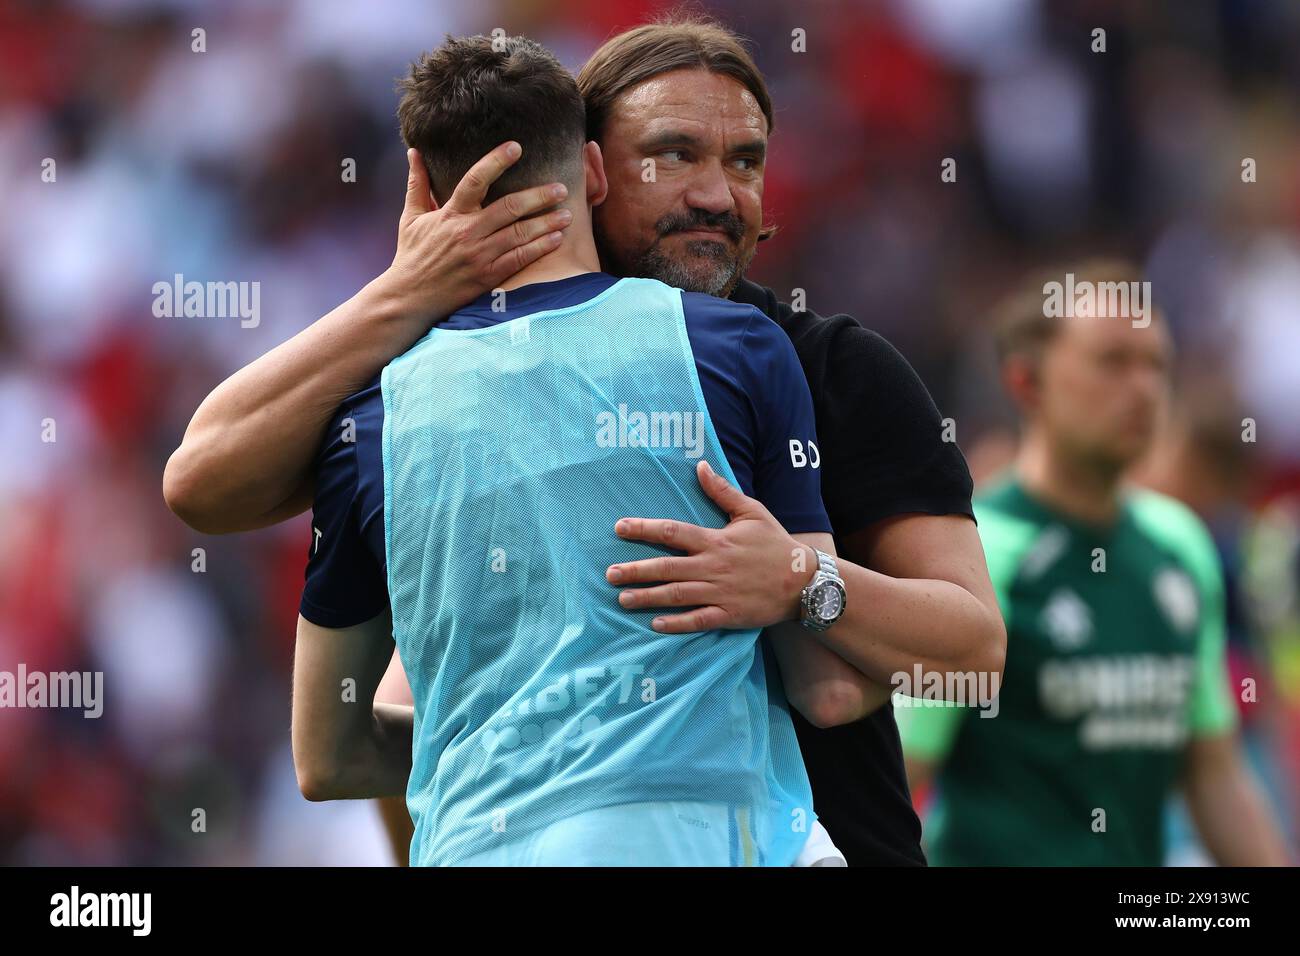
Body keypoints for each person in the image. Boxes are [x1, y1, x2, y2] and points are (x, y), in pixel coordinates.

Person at [165, 16, 1005, 867]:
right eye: (673, 155)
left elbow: (974, 652)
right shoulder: (434, 391)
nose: (718, 194)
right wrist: (402, 293)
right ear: (590, 170)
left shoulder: (832, 366)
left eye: (745, 160)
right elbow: (203, 480)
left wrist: (801, 581)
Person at [290, 32, 877, 867]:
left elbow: (324, 758)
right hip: (707, 837)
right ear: (594, 174)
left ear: (422, 189)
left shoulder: (366, 419)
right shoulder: (732, 346)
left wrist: (498, 753)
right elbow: (830, 683)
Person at [897, 261, 1288, 865]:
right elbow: (902, 773)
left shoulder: (1181, 545)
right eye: (1112, 362)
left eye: (1157, 365)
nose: (1143, 389)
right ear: (1026, 382)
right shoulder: (973, 553)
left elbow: (1214, 774)